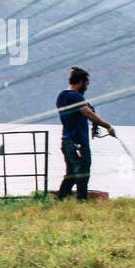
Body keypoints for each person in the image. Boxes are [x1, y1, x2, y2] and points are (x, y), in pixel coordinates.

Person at [55, 66, 114, 201]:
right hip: (78, 142)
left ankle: (61, 200)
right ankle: (81, 201)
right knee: (82, 173)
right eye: (86, 84)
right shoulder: (75, 96)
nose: (86, 87)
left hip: (66, 141)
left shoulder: (62, 96)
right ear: (80, 82)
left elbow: (88, 110)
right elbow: (88, 113)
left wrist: (94, 125)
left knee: (72, 174)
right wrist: (108, 126)